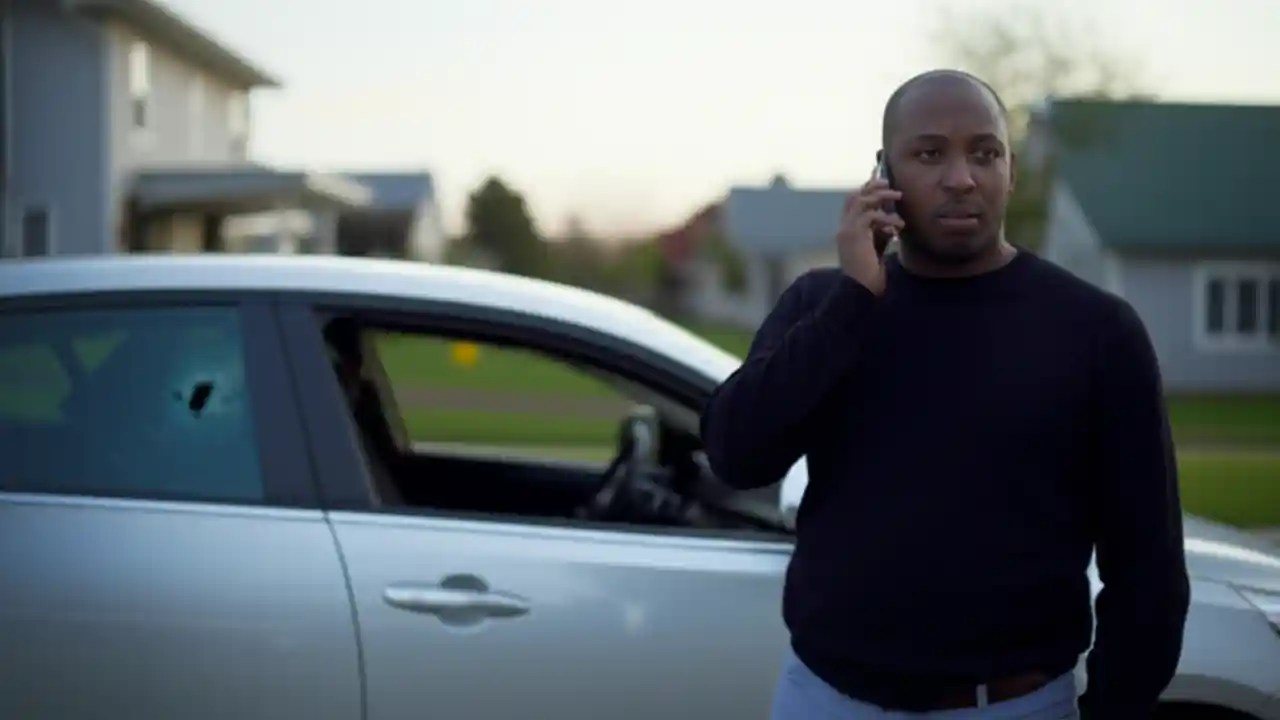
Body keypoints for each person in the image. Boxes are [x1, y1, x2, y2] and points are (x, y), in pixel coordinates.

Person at [700, 69, 1190, 719]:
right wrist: (853, 301)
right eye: (930, 153)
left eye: (985, 153)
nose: (961, 177)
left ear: (1010, 172)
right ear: (884, 173)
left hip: (1013, 705)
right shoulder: (824, 308)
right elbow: (737, 454)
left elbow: (1147, 565)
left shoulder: (1096, 330)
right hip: (826, 699)